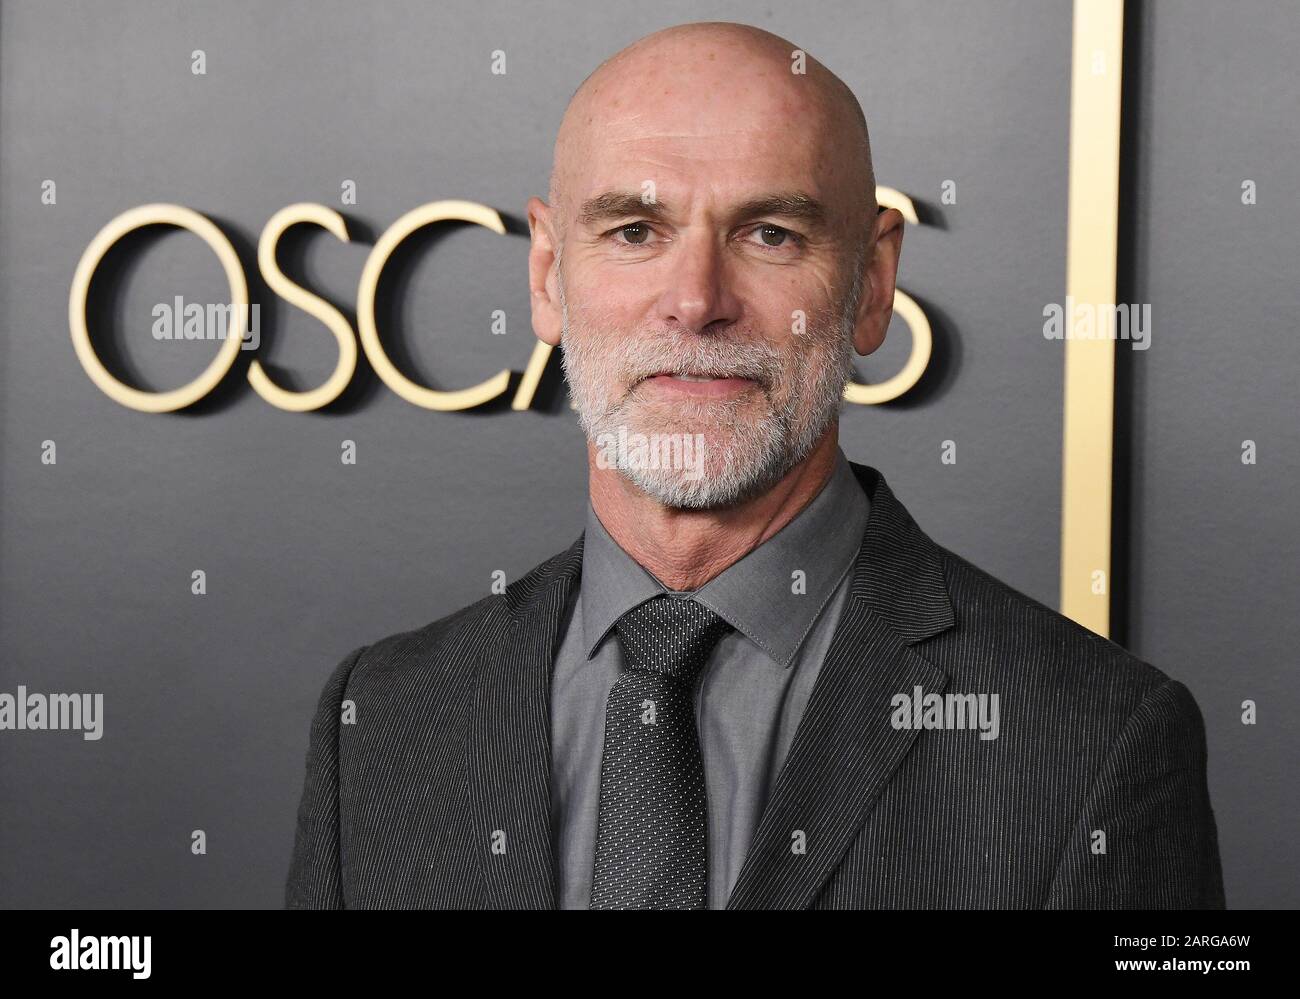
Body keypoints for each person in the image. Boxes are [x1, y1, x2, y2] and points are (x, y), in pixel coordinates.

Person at [285, 21, 1224, 909]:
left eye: (770, 233)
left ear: (872, 284)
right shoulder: (382, 718)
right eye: (633, 232)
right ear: (545, 275)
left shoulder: (1094, 742)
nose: (695, 302)